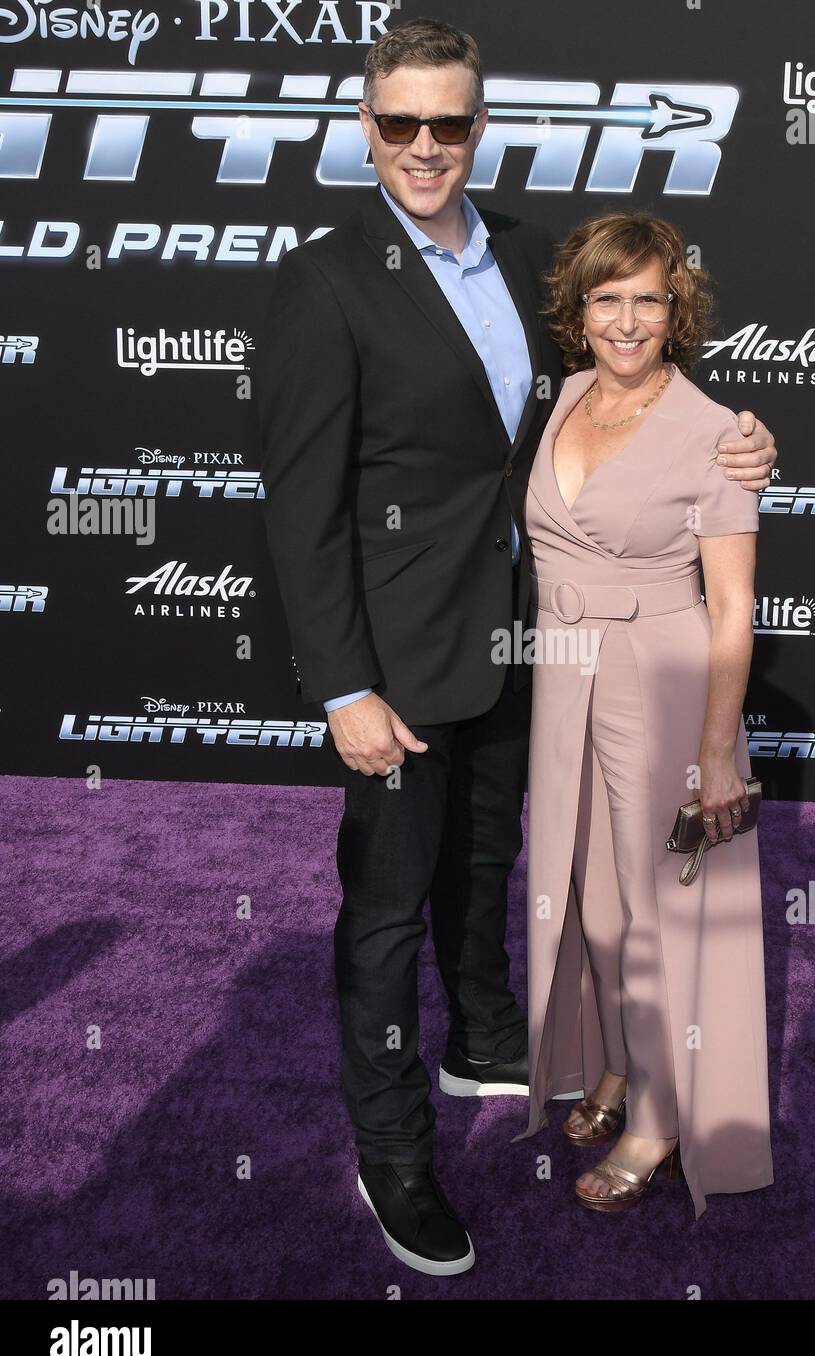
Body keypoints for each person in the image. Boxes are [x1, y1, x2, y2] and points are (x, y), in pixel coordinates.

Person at [256, 18, 777, 1275]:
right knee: (383, 913)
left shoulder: (534, 260)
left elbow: (628, 378)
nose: (426, 145)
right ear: (366, 129)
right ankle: (393, 1151)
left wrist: (741, 442)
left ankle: (483, 1036)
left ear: (478, 126)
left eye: (449, 122)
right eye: (400, 124)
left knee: (486, 870)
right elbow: (300, 505)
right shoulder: (324, 282)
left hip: (521, 653)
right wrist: (343, 685)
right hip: (393, 671)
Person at [511, 211, 775, 1218]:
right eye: (606, 298)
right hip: (564, 672)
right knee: (593, 903)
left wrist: (715, 751)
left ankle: (661, 1121)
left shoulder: (717, 435)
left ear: (678, 310)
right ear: (578, 310)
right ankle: (614, 1065)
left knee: (659, 914)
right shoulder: (569, 392)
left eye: (648, 300)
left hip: (660, 681)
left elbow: (734, 606)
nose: (626, 320)